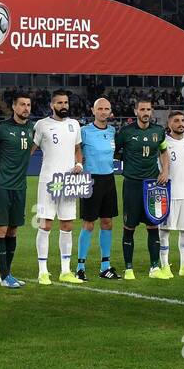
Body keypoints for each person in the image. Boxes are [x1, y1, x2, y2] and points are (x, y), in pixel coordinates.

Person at [33, 90, 84, 285]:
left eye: (66, 103)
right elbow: (31, 148)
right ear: (51, 105)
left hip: (69, 183)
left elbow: (78, 149)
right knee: (45, 225)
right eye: (60, 103)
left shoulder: (74, 125)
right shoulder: (42, 125)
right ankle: (43, 271)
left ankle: (65, 270)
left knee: (67, 225)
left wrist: (79, 164)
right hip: (48, 181)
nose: (64, 106)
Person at [114, 98, 168, 279]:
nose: (146, 113)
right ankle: (128, 268)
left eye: (149, 109)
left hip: (152, 185)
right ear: (136, 111)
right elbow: (114, 151)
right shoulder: (125, 132)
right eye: (142, 109)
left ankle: (155, 268)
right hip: (132, 184)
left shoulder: (158, 132)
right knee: (129, 226)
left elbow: (163, 151)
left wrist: (165, 170)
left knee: (153, 225)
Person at [0, 94, 34, 289]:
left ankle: (7, 273)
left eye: (28, 105)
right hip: (1, 186)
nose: (26, 108)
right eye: (22, 104)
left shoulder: (33, 128)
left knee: (13, 229)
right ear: (14, 107)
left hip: (20, 187)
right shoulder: (1, 129)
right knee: (1, 229)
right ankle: (4, 275)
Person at [76, 97, 118, 281]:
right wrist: (77, 164)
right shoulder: (84, 131)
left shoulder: (112, 131)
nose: (103, 111)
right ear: (93, 111)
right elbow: (75, 150)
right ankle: (80, 267)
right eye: (99, 108)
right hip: (90, 180)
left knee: (108, 222)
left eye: (106, 109)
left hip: (109, 179)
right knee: (89, 223)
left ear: (110, 112)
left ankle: (105, 266)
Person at [157, 111, 184, 277]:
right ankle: (165, 266)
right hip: (168, 193)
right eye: (176, 121)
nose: (181, 123)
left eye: (182, 120)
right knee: (165, 231)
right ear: (169, 124)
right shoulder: (164, 142)